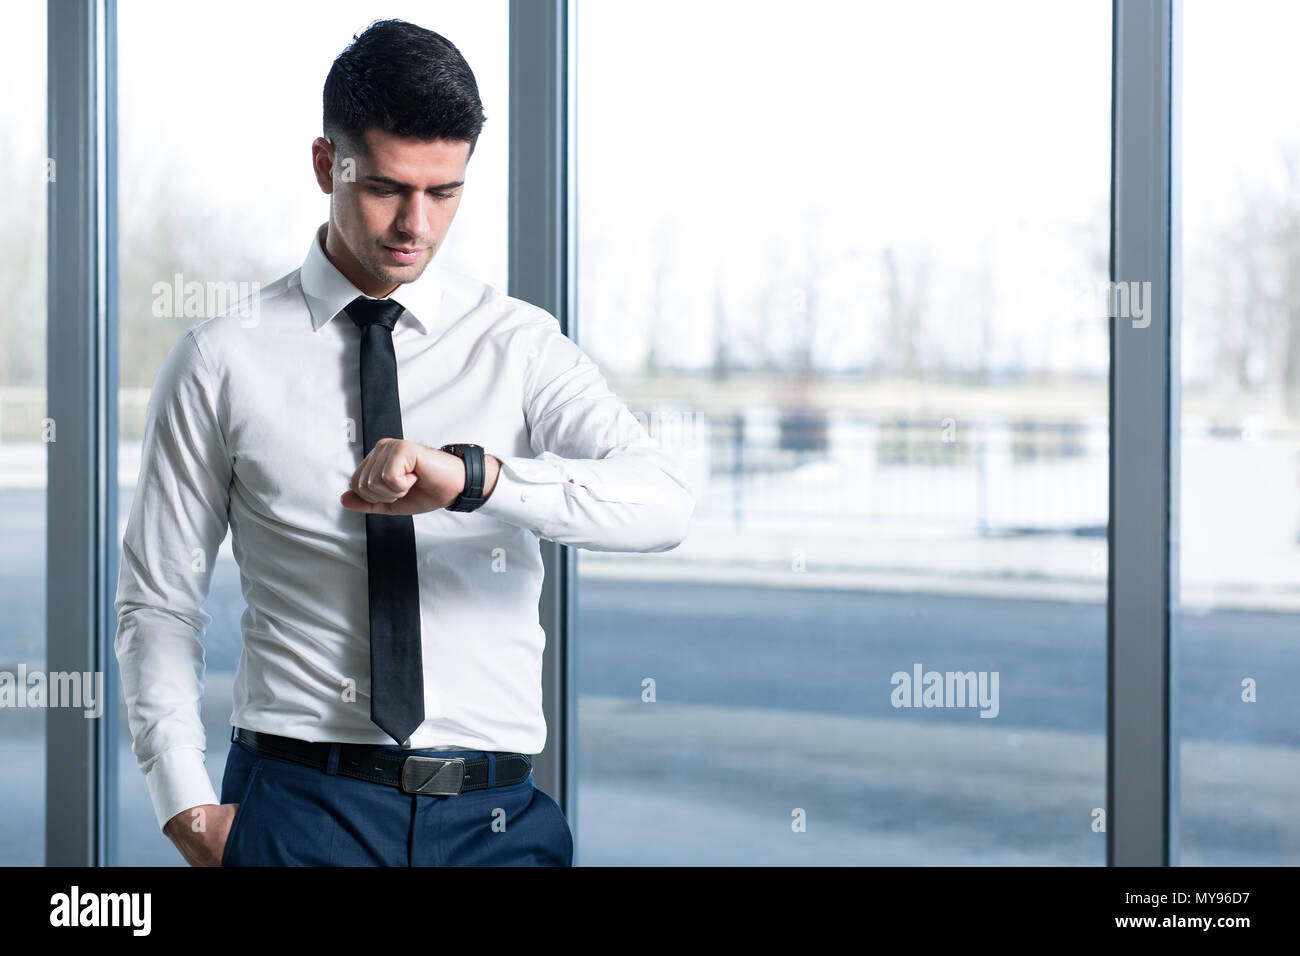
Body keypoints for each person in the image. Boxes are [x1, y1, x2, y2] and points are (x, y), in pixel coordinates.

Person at [113, 18, 694, 867]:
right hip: (301, 807)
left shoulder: (521, 347)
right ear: (327, 165)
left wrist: (479, 479)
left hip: (495, 820)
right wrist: (187, 809)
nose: (415, 225)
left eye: (445, 192)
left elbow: (664, 504)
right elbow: (159, 601)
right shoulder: (221, 358)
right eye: (387, 187)